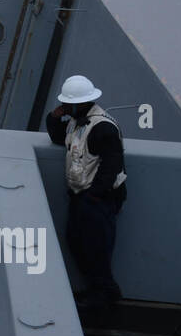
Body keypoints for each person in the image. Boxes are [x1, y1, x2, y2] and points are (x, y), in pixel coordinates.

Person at [45, 74, 127, 312]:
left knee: (96, 247)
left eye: (67, 104)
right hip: (83, 195)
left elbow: (112, 164)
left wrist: (94, 196)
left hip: (98, 198)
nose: (64, 107)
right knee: (77, 241)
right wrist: (53, 118)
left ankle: (104, 295)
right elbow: (59, 138)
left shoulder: (102, 127)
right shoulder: (76, 122)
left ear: (78, 104)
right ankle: (96, 289)